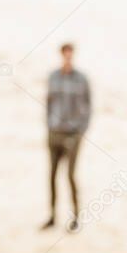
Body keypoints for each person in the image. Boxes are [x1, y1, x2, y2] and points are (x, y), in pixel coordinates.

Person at [43, 43, 91, 233]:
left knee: (70, 175)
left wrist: (80, 131)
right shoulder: (53, 77)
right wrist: (49, 125)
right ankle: (53, 216)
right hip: (55, 131)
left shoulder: (82, 80)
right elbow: (48, 103)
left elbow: (88, 106)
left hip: (73, 133)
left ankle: (76, 217)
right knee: (52, 175)